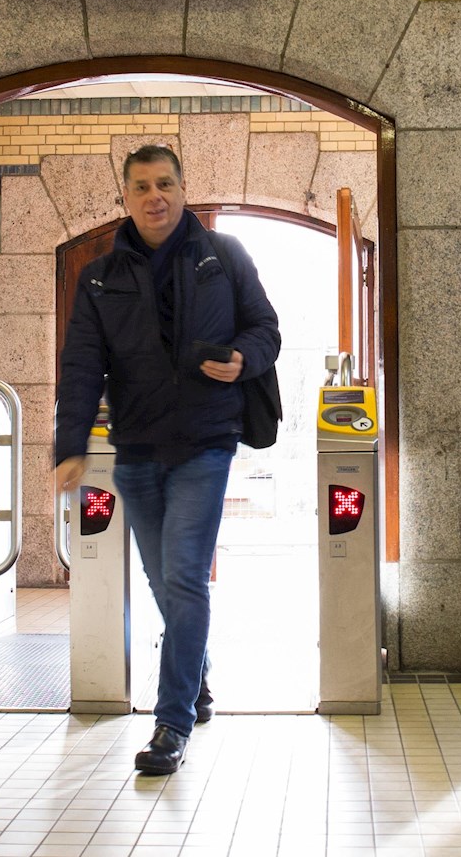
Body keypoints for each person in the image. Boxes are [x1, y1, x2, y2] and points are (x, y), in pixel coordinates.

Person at [53, 145, 281, 776]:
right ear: (124, 197)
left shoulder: (223, 257)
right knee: (163, 581)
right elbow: (80, 366)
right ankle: (198, 671)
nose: (155, 196)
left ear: (183, 189)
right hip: (136, 448)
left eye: (165, 184)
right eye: (142, 187)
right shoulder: (100, 277)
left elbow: (266, 328)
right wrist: (70, 443)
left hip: (207, 442)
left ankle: (171, 721)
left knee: (182, 576)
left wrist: (243, 359)